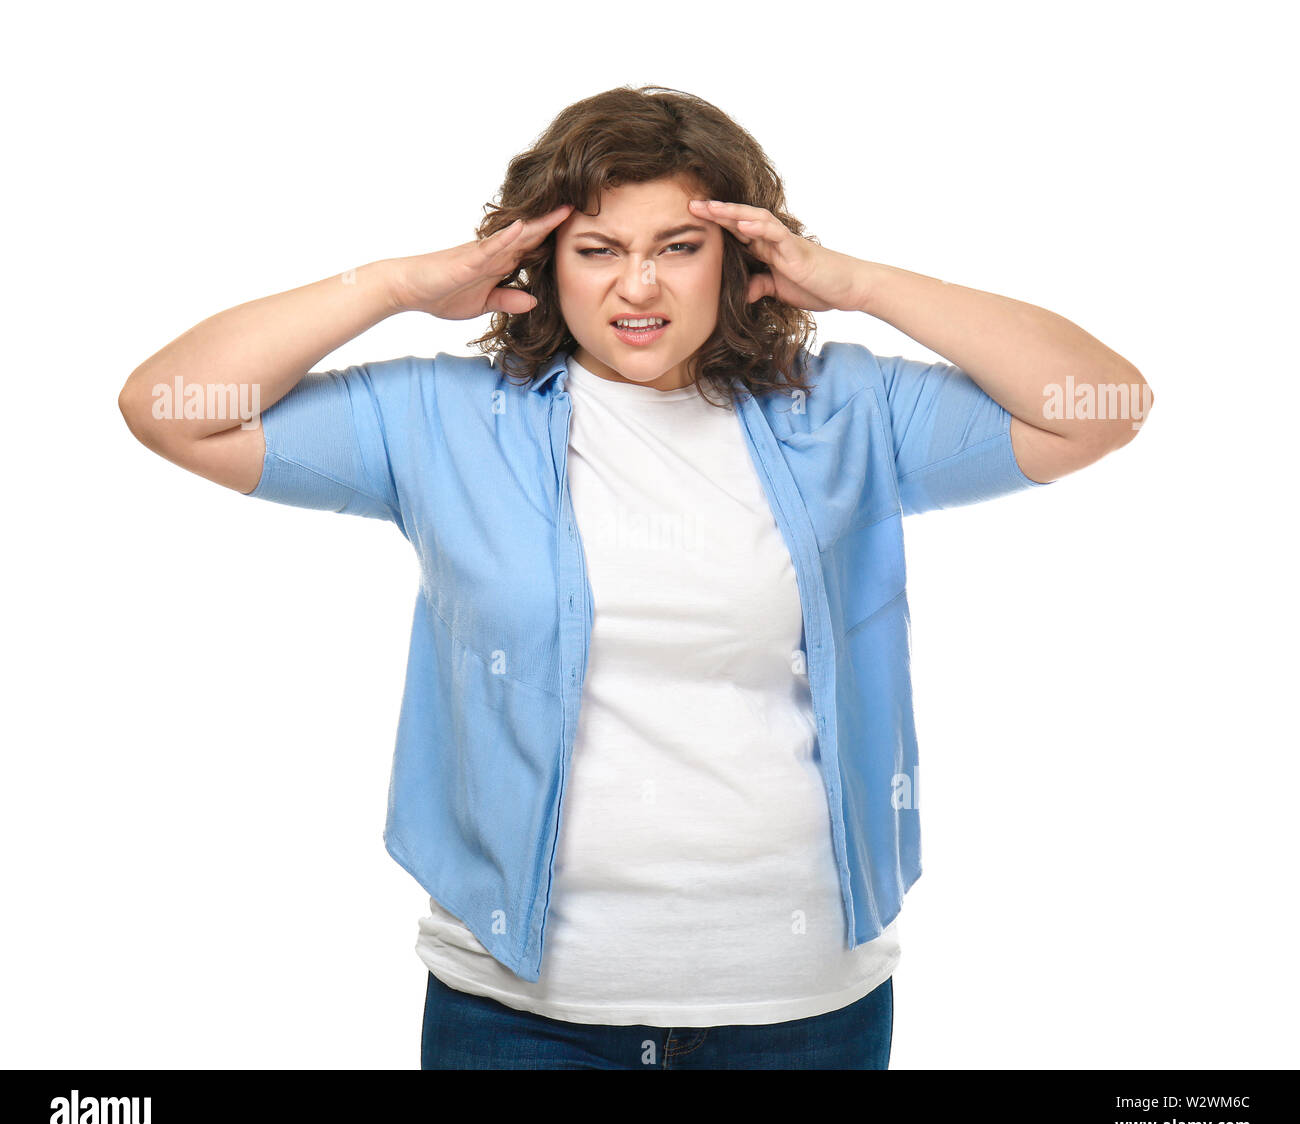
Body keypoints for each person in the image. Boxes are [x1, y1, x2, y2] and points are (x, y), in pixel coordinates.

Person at [118, 85, 1152, 1070]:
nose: (639, 285)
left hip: (797, 1009)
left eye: (678, 247)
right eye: (597, 249)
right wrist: (394, 286)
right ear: (543, 262)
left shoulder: (847, 412)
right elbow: (169, 405)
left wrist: (859, 284)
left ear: (737, 256)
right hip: (519, 1013)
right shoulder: (443, 422)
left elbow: (1103, 404)